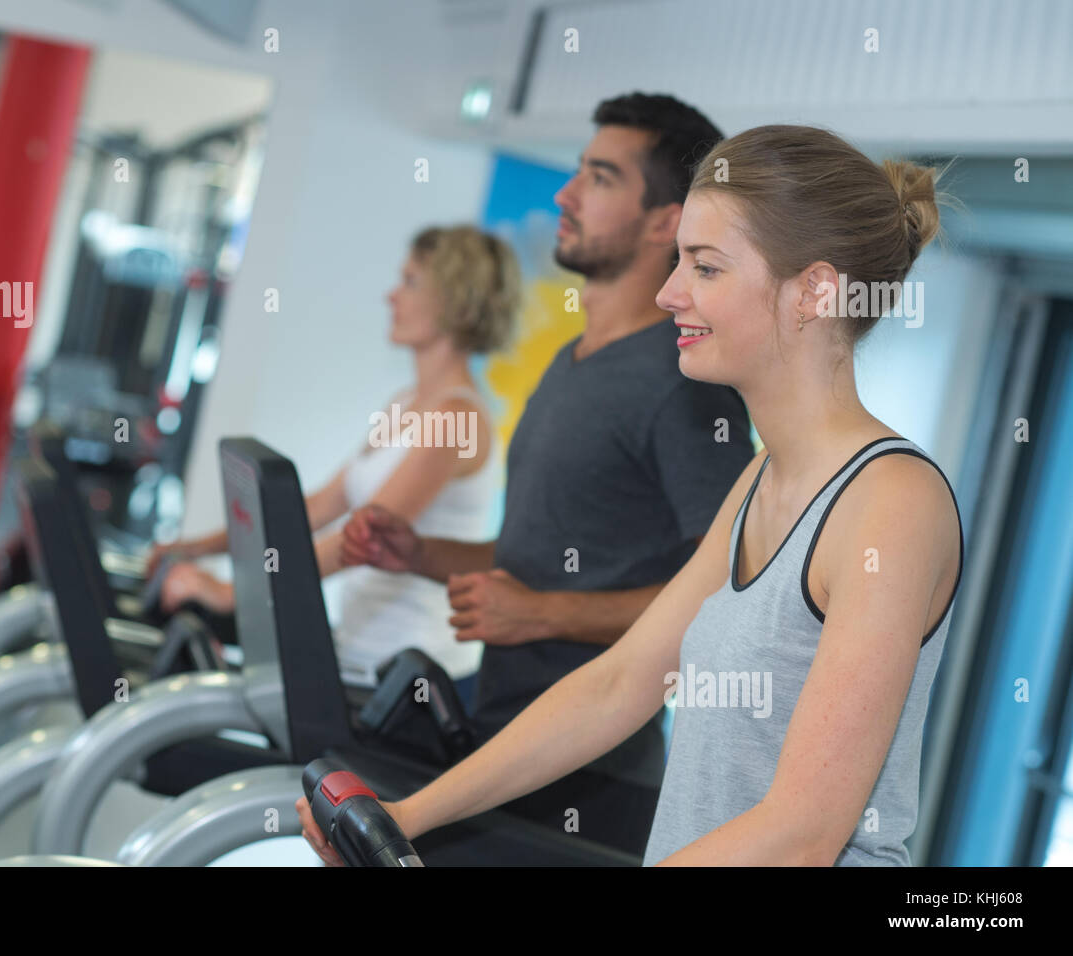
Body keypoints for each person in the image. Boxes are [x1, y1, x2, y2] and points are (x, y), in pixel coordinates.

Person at [302, 124, 965, 866]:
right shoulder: (758, 481)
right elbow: (620, 683)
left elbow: (803, 833)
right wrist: (406, 815)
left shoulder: (892, 504)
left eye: (705, 268)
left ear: (813, 290)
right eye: (678, 259)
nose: (667, 292)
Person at [334, 92, 754, 855]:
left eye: (598, 178)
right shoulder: (573, 362)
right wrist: (420, 556)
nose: (565, 194)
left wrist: (546, 615)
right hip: (505, 735)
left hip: (595, 779)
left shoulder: (688, 387)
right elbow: (538, 560)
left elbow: (726, 599)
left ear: (668, 221)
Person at [148, 225, 521, 694]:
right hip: (357, 648)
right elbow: (321, 506)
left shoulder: (457, 418)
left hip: (409, 671)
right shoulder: (406, 402)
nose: (391, 296)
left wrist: (233, 594)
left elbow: (362, 535)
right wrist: (196, 548)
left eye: (410, 282)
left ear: (456, 302)